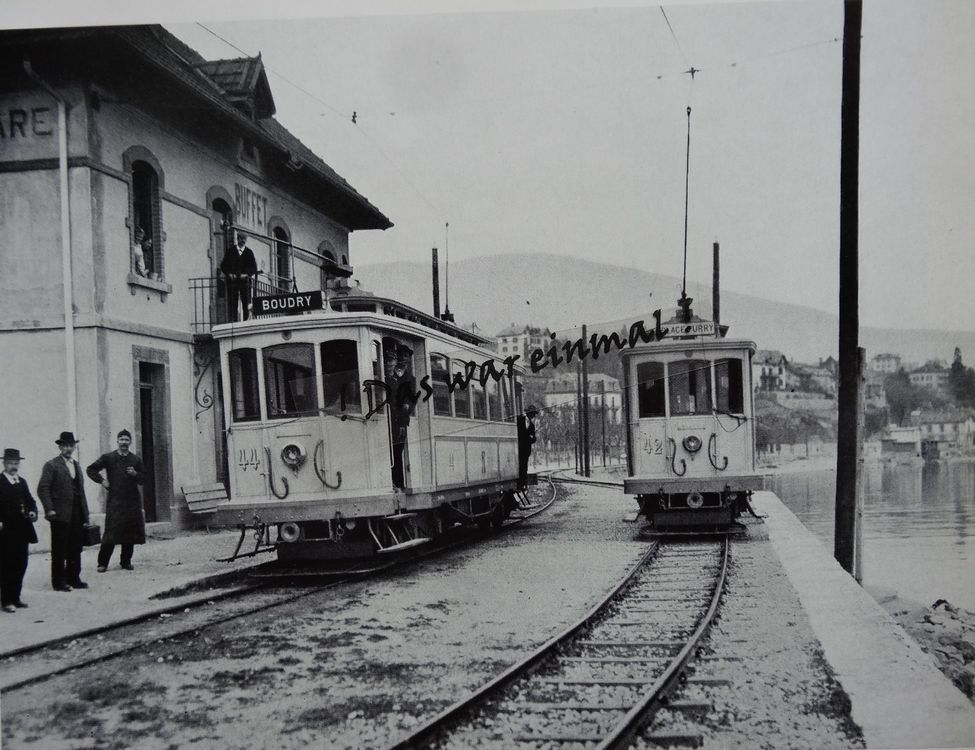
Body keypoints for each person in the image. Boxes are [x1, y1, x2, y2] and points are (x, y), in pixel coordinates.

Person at [37, 432, 90, 592]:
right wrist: (50, 509)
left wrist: (85, 514)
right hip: (60, 514)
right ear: (60, 447)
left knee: (76, 547)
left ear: (74, 447)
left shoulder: (76, 465)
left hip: (76, 513)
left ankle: (74, 578)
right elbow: (43, 488)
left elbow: (80, 490)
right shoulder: (51, 465)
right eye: (65, 445)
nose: (68, 449)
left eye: (71, 445)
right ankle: (59, 582)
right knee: (60, 549)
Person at [86, 430, 146, 572]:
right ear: (117, 441)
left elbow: (144, 479)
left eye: (126, 440)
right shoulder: (108, 457)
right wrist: (102, 481)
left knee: (129, 532)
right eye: (121, 439)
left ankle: (126, 561)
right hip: (115, 500)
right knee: (111, 532)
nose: (124, 442)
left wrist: (135, 474)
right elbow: (91, 469)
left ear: (130, 442)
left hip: (131, 501)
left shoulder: (135, 460)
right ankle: (102, 563)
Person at [0, 448, 38, 612]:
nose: (13, 466)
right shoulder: (0, 481)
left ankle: (16, 597)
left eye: (16, 463)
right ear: (4, 463)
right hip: (6, 531)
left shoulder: (21, 482)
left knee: (21, 564)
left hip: (23, 530)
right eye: (10, 463)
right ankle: (7, 600)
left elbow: (30, 501)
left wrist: (33, 511)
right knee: (7, 565)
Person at [387, 347, 416, 489]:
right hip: (391, 418)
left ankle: (399, 482)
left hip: (401, 419)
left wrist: (407, 408)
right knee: (392, 451)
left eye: (406, 356)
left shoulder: (411, 378)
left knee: (398, 451)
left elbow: (412, 399)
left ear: (409, 359)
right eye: (401, 355)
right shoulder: (392, 375)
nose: (403, 358)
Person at [220, 230, 258, 321]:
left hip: (245, 282)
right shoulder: (231, 251)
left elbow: (253, 268)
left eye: (244, 239)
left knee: (246, 303)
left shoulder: (249, 252)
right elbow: (223, 265)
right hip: (232, 282)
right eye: (241, 238)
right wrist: (229, 274)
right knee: (232, 303)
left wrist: (246, 274)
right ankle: (233, 322)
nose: (243, 241)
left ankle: (245, 322)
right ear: (237, 239)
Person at [517, 404, 539, 489]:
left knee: (524, 466)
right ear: (528, 413)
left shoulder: (532, 425)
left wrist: (530, 438)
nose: (533, 416)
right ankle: (520, 483)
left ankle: (523, 483)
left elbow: (534, 439)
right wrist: (529, 437)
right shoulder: (519, 420)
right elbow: (519, 434)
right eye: (532, 414)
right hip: (519, 448)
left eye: (534, 414)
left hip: (526, 450)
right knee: (520, 466)